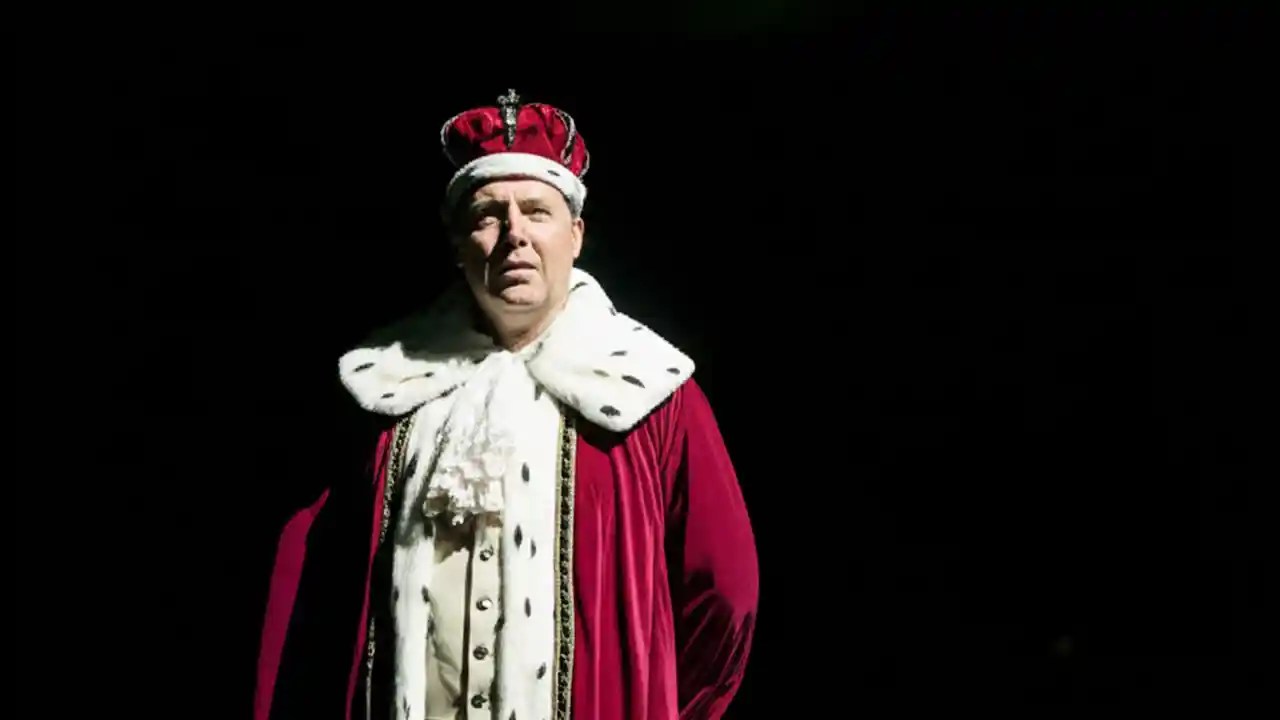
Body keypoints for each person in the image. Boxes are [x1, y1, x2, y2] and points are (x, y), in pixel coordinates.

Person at [253, 89, 759, 720]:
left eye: (538, 212)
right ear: (457, 242)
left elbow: (724, 594)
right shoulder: (384, 392)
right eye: (488, 215)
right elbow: (308, 594)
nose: (515, 234)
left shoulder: (653, 393)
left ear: (576, 235)